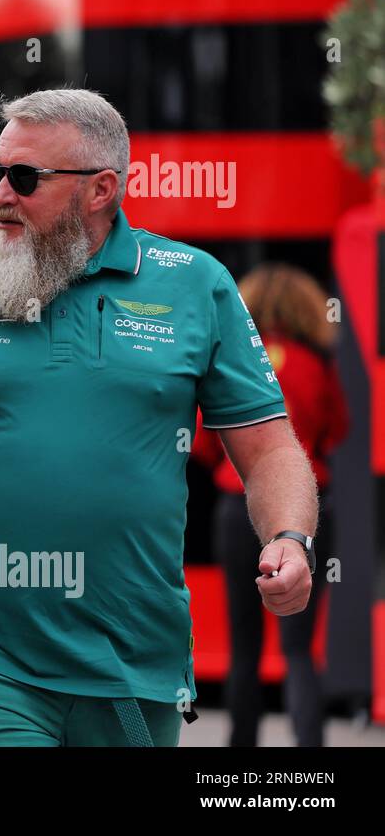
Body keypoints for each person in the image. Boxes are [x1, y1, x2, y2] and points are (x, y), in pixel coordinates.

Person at [0, 88, 319, 747]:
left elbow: (270, 447)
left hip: (135, 670)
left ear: (101, 189)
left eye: (24, 177)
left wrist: (289, 537)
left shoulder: (195, 284)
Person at [193, 264, 348, 746]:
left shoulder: (238, 365)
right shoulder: (315, 363)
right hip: (305, 513)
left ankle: (240, 748)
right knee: (299, 650)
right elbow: (337, 432)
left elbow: (201, 444)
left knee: (245, 647)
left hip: (236, 509)